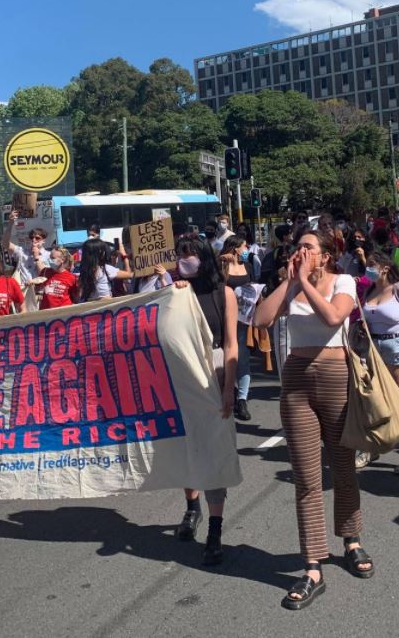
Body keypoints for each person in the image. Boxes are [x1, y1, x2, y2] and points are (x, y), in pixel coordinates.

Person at [253, 230, 372, 610]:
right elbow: (260, 318)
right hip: (297, 381)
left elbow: (334, 315)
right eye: (299, 247)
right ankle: (313, 565)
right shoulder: (292, 285)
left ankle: (351, 540)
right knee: (306, 477)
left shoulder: (344, 281)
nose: (301, 252)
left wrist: (304, 281)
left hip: (335, 376)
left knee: (342, 465)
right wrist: (290, 282)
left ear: (325, 256)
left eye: (310, 248)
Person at [171, 236, 238, 566]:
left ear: (205, 258)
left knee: (214, 454)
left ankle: (215, 530)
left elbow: (231, 344)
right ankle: (191, 508)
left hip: (213, 375)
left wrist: (229, 387)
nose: (186, 260)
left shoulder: (223, 295)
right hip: (182, 377)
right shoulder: (173, 294)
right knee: (187, 448)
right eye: (181, 255)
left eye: (191, 254)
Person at [360, 251, 399, 476]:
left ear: (385, 268)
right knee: (374, 401)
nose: (367, 269)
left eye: (371, 265)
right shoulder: (370, 290)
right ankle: (371, 447)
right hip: (374, 350)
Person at [219, 236, 259, 421]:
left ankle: (242, 399)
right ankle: (231, 390)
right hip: (225, 318)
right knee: (225, 358)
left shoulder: (248, 266)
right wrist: (222, 264)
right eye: (244, 246)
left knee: (242, 358)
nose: (247, 249)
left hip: (244, 319)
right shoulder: (222, 266)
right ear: (235, 248)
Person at [76, 238, 134, 302]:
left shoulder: (84, 271)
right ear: (101, 252)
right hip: (106, 305)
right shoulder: (105, 269)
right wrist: (124, 256)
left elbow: (79, 295)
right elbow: (129, 274)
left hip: (90, 306)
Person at [1, 209, 50, 283]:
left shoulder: (48, 255)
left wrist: (36, 256)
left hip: (39, 291)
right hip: (24, 290)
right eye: (31, 237)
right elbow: (5, 243)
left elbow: (45, 274)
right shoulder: (22, 251)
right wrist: (11, 223)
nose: (34, 240)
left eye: (37, 238)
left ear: (43, 240)